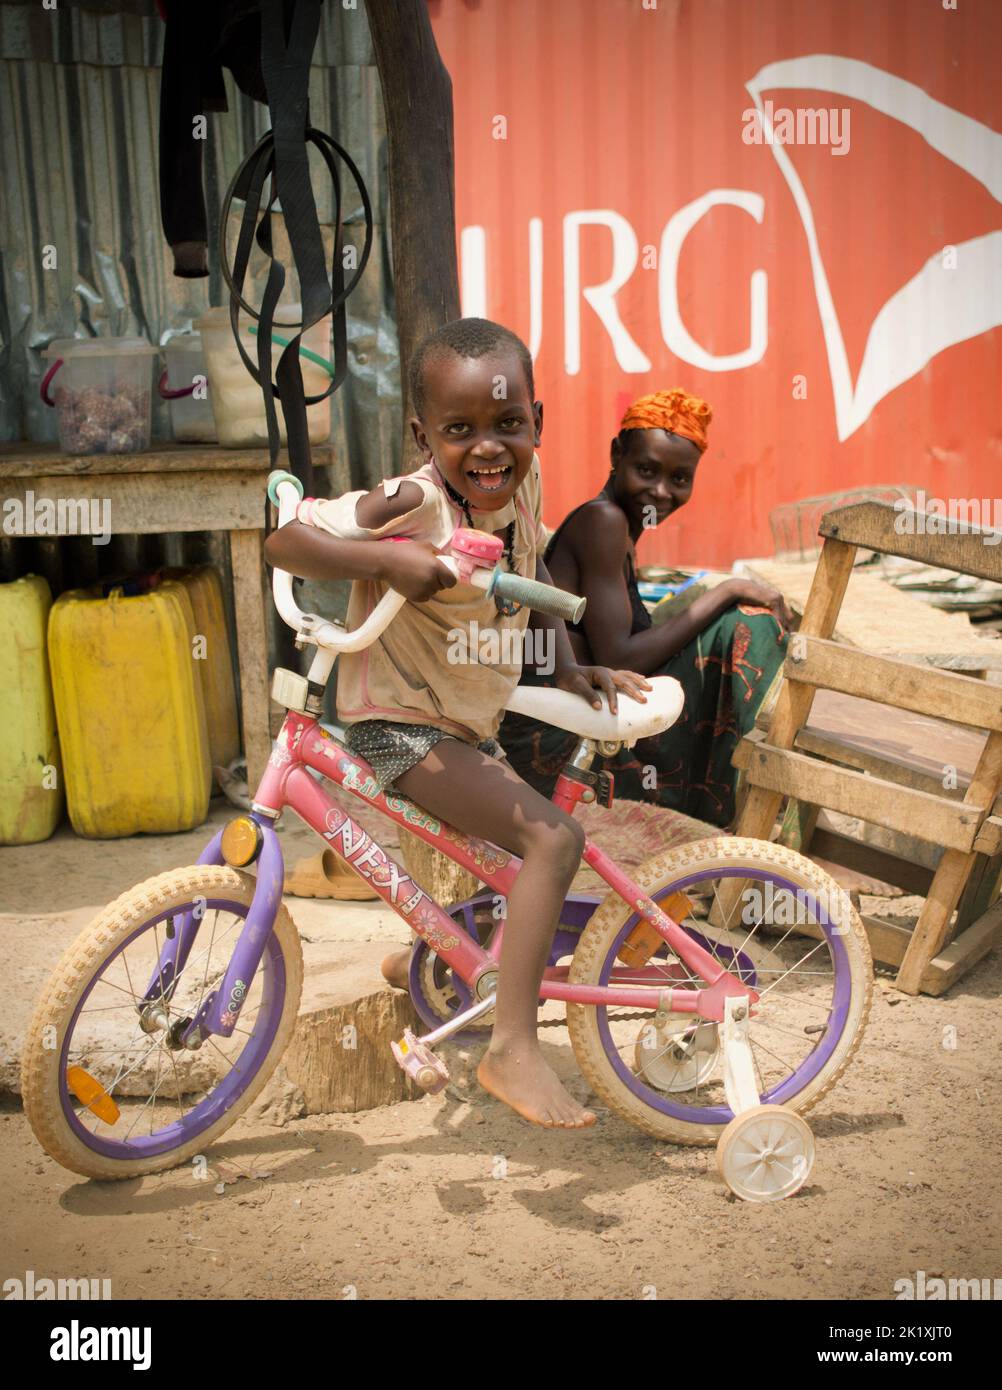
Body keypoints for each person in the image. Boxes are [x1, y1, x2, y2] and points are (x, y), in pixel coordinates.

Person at [264, 317, 650, 1129]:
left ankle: (479, 1002)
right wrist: (382, 560)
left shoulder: (525, 486)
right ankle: (512, 1044)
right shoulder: (413, 504)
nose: (488, 449)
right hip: (400, 725)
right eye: (460, 429)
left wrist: (567, 661)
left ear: (538, 422)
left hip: (467, 722)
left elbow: (531, 569)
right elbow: (284, 540)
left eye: (508, 425)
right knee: (554, 841)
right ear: (422, 434)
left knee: (530, 851)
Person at [500, 388, 793, 828]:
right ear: (616, 454)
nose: (661, 491)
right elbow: (619, 657)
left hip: (590, 721)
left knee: (735, 626)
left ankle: (750, 813)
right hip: (564, 739)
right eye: (646, 470)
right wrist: (726, 591)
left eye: (679, 479)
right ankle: (754, 815)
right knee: (745, 627)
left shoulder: (618, 530)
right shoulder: (604, 522)